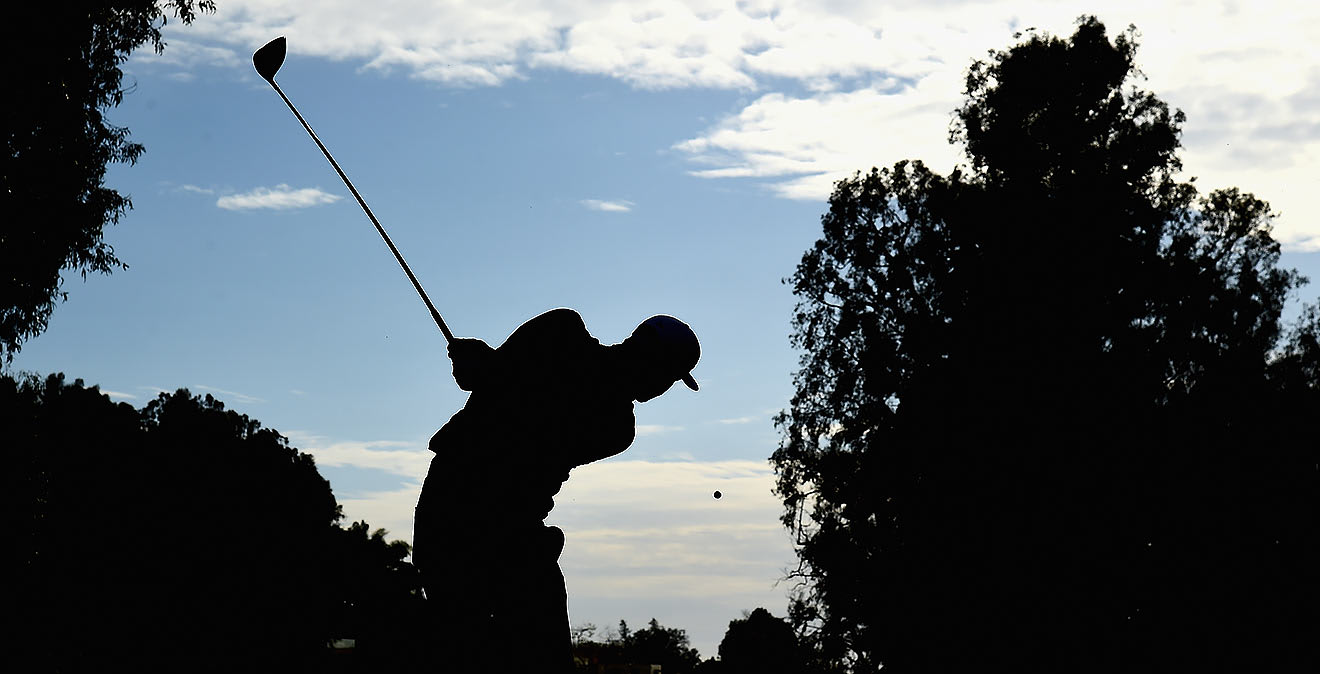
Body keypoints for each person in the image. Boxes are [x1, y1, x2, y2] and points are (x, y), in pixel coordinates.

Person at [413, 308, 700, 672]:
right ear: (655, 365)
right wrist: (487, 369)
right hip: (461, 518)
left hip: (492, 526)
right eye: (670, 377)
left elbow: (524, 414)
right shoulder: (606, 407)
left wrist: (487, 368)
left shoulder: (610, 417)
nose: (664, 388)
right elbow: (499, 386)